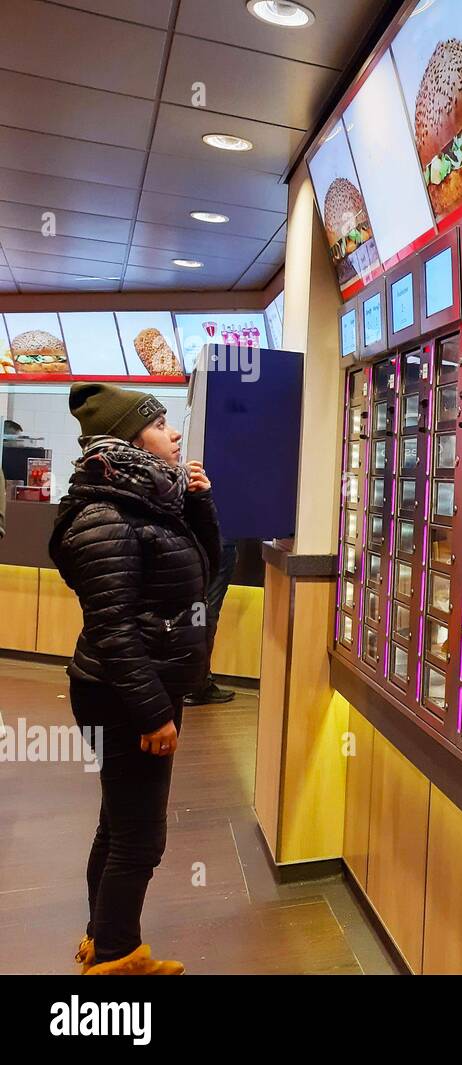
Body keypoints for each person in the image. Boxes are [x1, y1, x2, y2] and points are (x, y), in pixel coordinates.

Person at [49, 382, 221, 976]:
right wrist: (153, 712)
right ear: (128, 440)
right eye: (161, 423)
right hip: (122, 694)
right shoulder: (104, 516)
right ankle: (117, 961)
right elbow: (115, 629)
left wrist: (198, 504)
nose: (174, 433)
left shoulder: (146, 503)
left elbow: (205, 571)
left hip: (135, 686)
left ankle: (104, 940)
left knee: (119, 823)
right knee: (141, 838)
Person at [185, 536, 239, 705]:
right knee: (206, 613)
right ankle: (198, 683)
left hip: (194, 545)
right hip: (219, 545)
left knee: (198, 611)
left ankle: (193, 680)